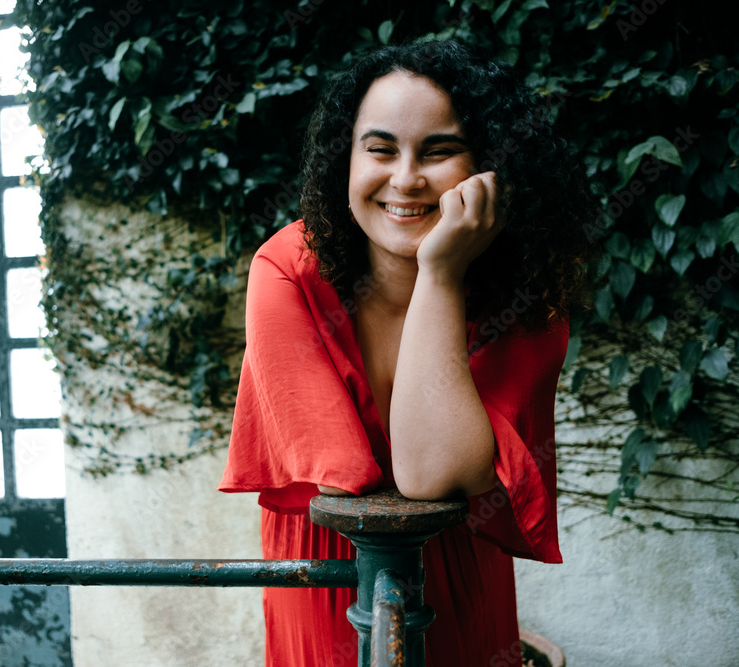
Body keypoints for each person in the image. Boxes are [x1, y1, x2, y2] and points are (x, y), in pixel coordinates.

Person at [219, 39, 594, 667]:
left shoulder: (528, 298)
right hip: (328, 576)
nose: (406, 178)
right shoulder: (286, 272)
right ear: (346, 160)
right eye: (380, 148)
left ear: (492, 167)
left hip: (459, 577)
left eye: (440, 150)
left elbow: (430, 473)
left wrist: (440, 273)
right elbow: (351, 482)